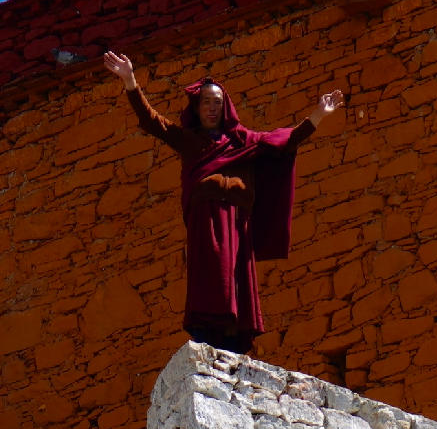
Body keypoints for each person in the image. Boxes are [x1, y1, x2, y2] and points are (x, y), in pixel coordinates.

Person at [102, 52, 343, 353]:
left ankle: (234, 332)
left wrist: (318, 115)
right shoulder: (189, 140)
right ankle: (205, 328)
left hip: (238, 219)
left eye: (217, 102)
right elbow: (151, 122)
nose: (212, 107)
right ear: (197, 107)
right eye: (206, 102)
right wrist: (130, 80)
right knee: (211, 271)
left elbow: (285, 141)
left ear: (225, 106)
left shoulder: (245, 141)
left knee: (235, 274)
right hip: (206, 216)